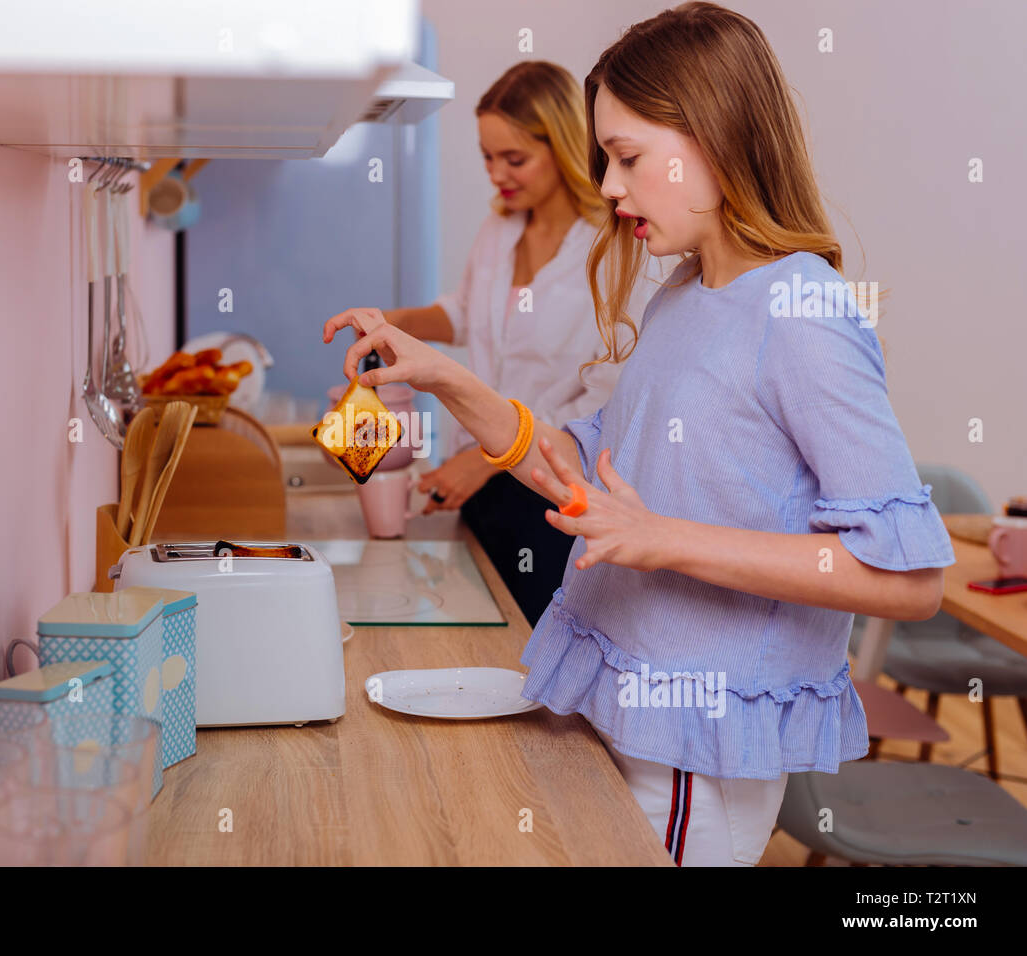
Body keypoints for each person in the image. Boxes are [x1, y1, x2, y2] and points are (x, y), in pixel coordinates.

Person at [323, 1, 954, 866]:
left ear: (717, 138)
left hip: (691, 740)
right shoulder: (682, 295)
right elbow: (585, 467)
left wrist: (665, 539)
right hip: (626, 704)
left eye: (625, 157)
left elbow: (909, 578)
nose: (610, 188)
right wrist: (445, 377)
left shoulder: (803, 312)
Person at [378, 61, 665, 627]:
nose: (497, 174)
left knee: (531, 648)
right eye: (487, 157)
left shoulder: (610, 249)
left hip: (549, 491)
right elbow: (466, 313)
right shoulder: (500, 229)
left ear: (561, 146)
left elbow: (604, 401)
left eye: (515, 159)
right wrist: (388, 321)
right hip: (478, 475)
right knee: (483, 637)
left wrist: (484, 460)